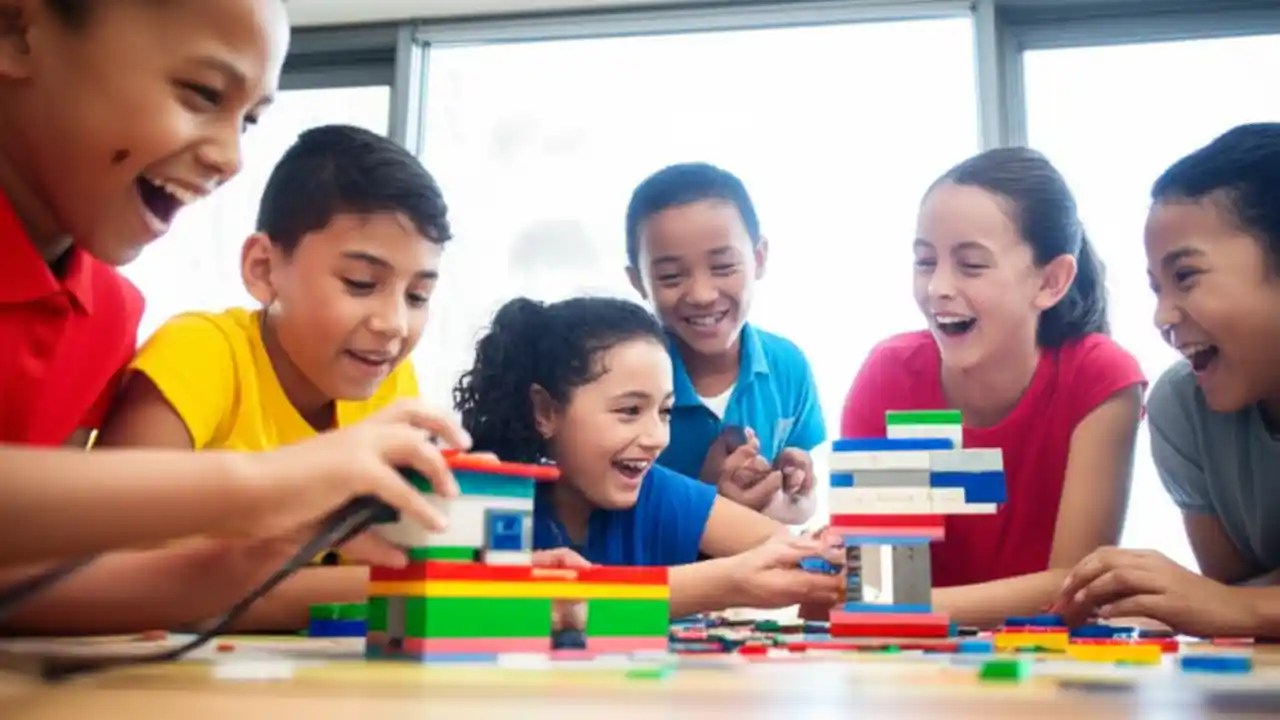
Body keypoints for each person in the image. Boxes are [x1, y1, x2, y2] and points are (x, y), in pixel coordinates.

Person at [0, 0, 464, 625]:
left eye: (247, 121)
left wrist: (460, 581)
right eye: (201, 92)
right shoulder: (198, 348)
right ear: (14, 32)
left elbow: (24, 582)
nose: (231, 158)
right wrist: (268, 485)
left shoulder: (106, 311)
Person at [839, 147, 1145, 626]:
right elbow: (881, 584)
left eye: (971, 265)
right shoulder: (889, 377)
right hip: (914, 670)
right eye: (924, 261)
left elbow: (1073, 587)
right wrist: (887, 602)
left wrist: (905, 606)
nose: (937, 287)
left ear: (1052, 280)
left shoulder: (1100, 380)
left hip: (1051, 678)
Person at [453, 295, 844, 617]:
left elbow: (793, 557)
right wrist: (727, 583)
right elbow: (511, 609)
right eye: (629, 411)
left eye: (665, 411)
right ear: (546, 412)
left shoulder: (658, 493)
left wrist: (825, 561)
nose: (657, 438)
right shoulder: (483, 504)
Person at [1053, 124, 1280, 638]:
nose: (1162, 316)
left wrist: (1234, 607)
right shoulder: (1184, 407)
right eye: (1156, 286)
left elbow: (1235, 606)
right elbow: (1236, 592)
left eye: (1187, 277)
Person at [625, 162, 824, 525]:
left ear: (759, 258)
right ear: (638, 281)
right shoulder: (623, 380)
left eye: (723, 267)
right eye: (671, 276)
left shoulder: (788, 366)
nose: (702, 295)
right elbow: (609, 524)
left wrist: (793, 486)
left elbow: (800, 506)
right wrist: (709, 503)